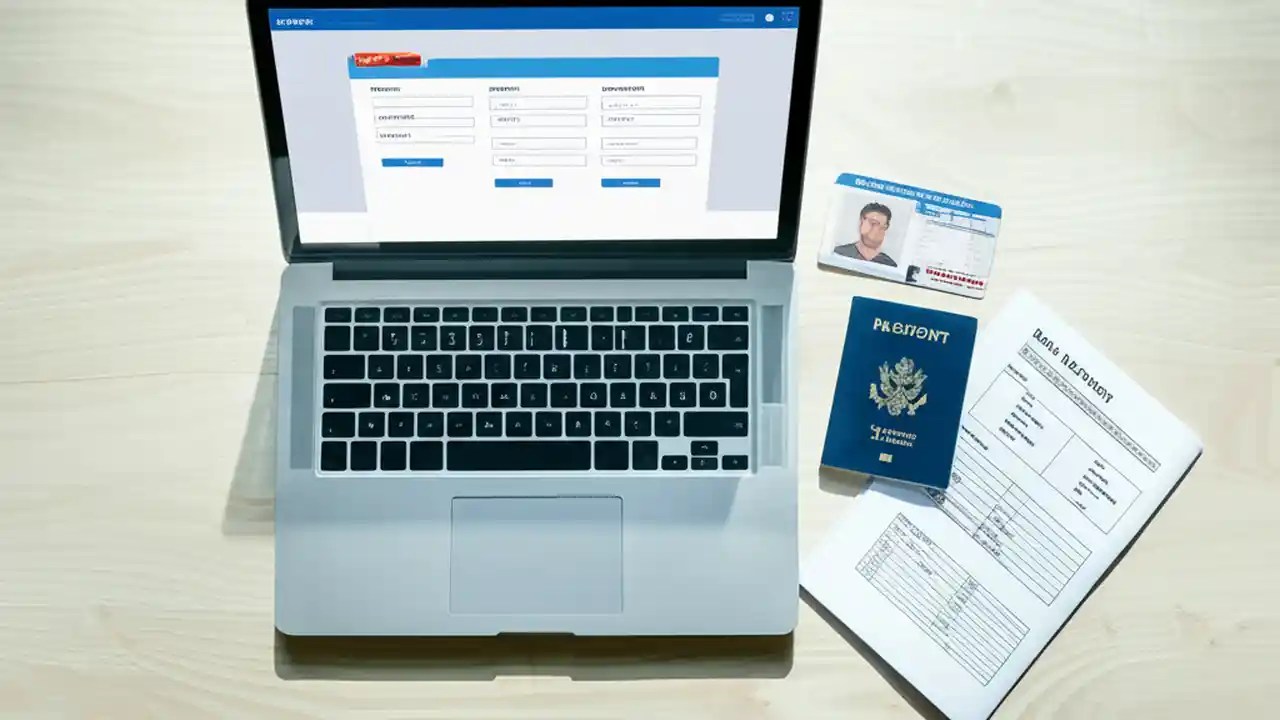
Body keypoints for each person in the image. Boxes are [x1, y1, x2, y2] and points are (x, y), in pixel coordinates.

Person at [833, 202, 898, 267]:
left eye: (883, 227)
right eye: (873, 223)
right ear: (861, 222)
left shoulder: (890, 265)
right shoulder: (839, 254)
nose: (877, 229)